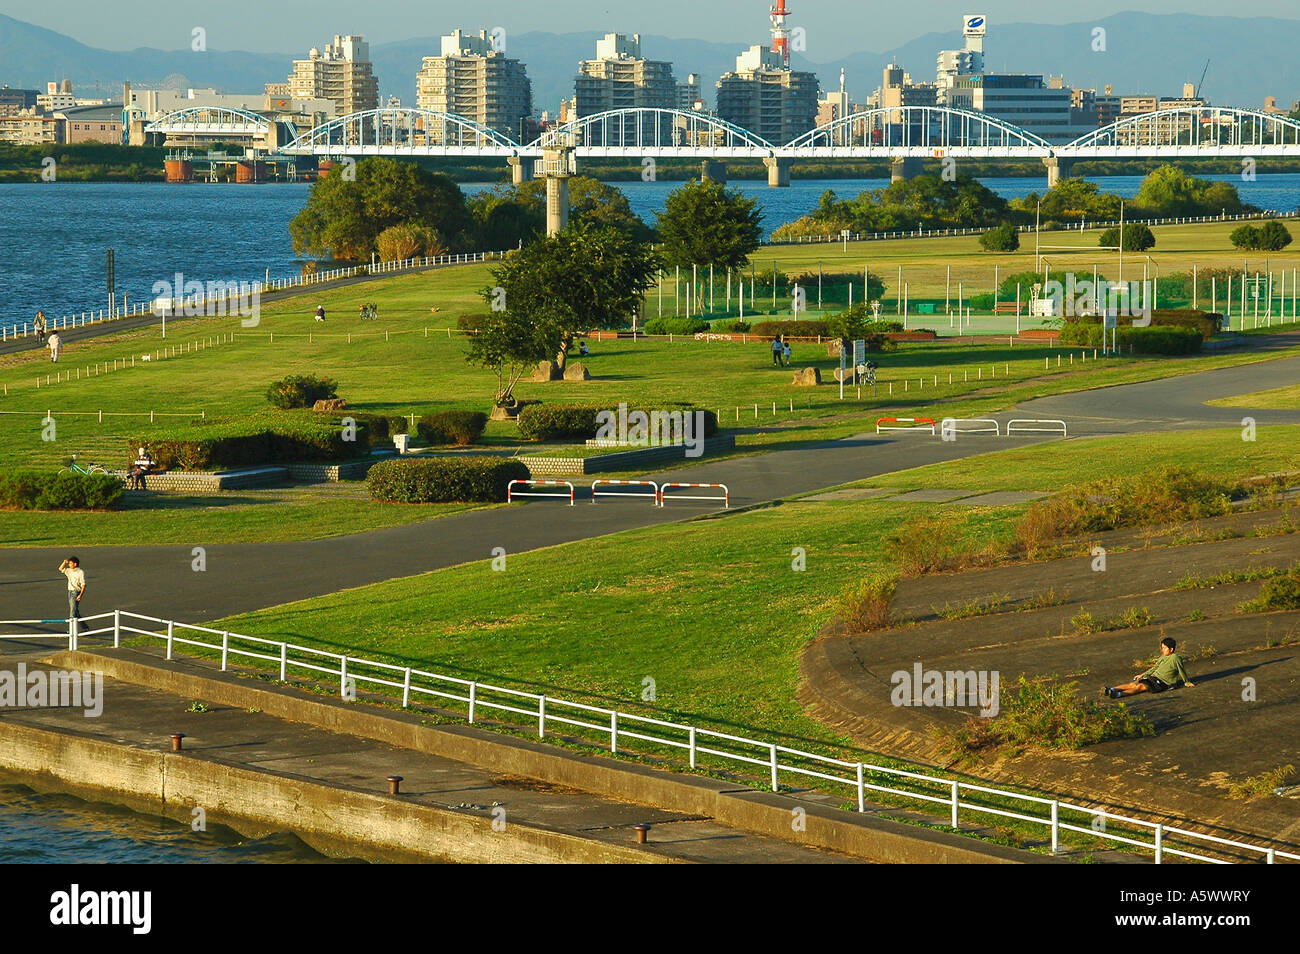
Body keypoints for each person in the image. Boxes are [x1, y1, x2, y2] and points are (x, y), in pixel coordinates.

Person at [1105, 636, 1195, 698]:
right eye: (1162, 647)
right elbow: (1154, 668)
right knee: (1132, 684)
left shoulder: (1176, 658)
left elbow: (1181, 670)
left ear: (1171, 649)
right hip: (1153, 677)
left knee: (1139, 687)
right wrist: (1142, 675)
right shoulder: (1162, 657)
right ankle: (1112, 689)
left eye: (1164, 648)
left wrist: (1186, 682)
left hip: (1163, 682)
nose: (1162, 650)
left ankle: (1117, 695)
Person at [58, 556, 85, 626]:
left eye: (70, 563)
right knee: (75, 611)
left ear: (75, 564)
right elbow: (60, 568)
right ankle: (85, 627)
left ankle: (71, 631)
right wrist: (64, 562)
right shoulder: (69, 571)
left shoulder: (80, 572)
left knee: (72, 612)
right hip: (70, 592)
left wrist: (80, 595)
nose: (69, 565)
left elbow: (83, 585)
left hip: (76, 592)